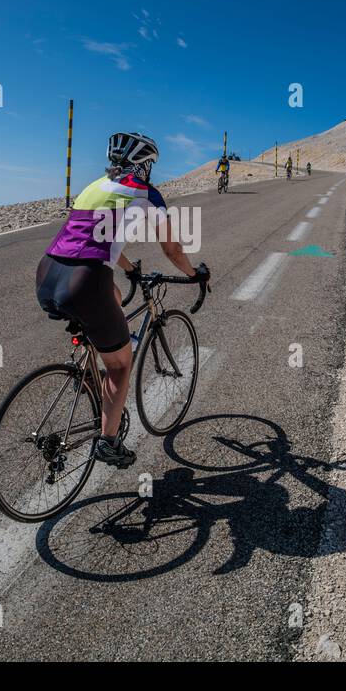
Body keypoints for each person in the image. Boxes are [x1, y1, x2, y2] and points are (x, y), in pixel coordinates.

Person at [36, 131, 210, 468]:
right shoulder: (145, 192)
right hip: (85, 282)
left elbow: (93, 238)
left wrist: (129, 267)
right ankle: (108, 442)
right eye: (151, 164)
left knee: (111, 295)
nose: (151, 171)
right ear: (143, 164)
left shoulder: (93, 187)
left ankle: (89, 374)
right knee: (120, 364)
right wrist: (193, 274)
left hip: (48, 273)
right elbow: (172, 249)